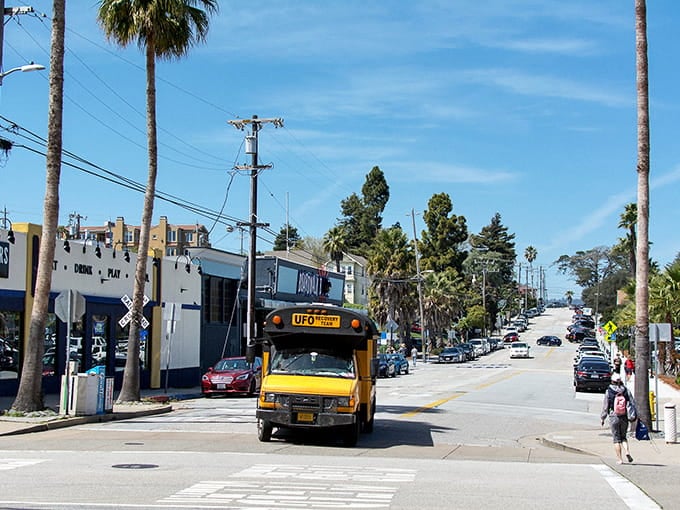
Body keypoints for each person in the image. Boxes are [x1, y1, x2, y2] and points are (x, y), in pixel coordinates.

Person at [600, 373, 633, 464]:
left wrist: (603, 418)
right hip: (624, 416)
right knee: (623, 437)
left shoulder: (609, 391)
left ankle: (620, 459)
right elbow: (631, 403)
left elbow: (605, 406)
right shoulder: (626, 390)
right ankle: (627, 452)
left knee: (616, 439)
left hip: (613, 415)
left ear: (612, 381)